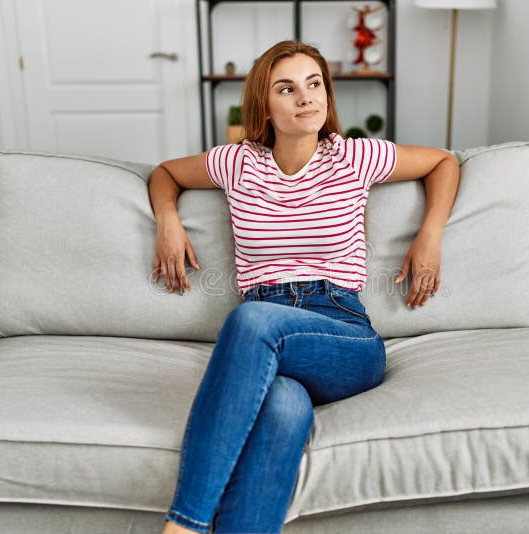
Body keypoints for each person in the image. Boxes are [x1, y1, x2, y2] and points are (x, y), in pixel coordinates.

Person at [150, 40, 460, 534]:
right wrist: (168, 221)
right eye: (287, 88)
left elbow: (444, 162)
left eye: (314, 84)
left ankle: (183, 524)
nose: (306, 97)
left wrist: (430, 234)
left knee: (251, 321)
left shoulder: (355, 157)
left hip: (343, 334)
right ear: (264, 106)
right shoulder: (237, 163)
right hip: (269, 331)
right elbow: (165, 173)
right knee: (283, 405)